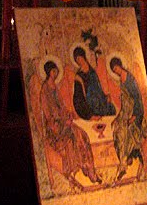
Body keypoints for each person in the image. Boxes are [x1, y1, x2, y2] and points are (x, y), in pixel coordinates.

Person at [39, 60, 102, 190]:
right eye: (53, 71)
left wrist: (69, 114)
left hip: (64, 123)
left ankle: (89, 168)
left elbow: (62, 106)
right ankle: (79, 168)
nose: (55, 73)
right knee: (74, 135)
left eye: (56, 71)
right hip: (55, 128)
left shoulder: (55, 87)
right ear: (48, 72)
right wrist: (62, 122)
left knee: (83, 134)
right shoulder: (44, 90)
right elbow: (48, 114)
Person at [109, 57, 146, 183]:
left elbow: (137, 98)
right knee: (117, 132)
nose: (116, 71)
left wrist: (135, 116)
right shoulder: (121, 79)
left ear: (120, 66)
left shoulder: (129, 79)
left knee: (125, 134)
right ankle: (123, 161)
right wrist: (117, 118)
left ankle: (125, 163)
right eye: (114, 71)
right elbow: (124, 103)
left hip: (135, 112)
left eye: (116, 68)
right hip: (126, 112)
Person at [72, 46, 116, 119]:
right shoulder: (79, 77)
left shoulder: (92, 72)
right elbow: (78, 99)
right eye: (77, 60)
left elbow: (98, 88)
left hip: (101, 100)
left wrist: (105, 96)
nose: (79, 61)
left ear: (84, 56)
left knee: (111, 109)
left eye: (79, 58)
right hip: (91, 105)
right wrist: (90, 115)